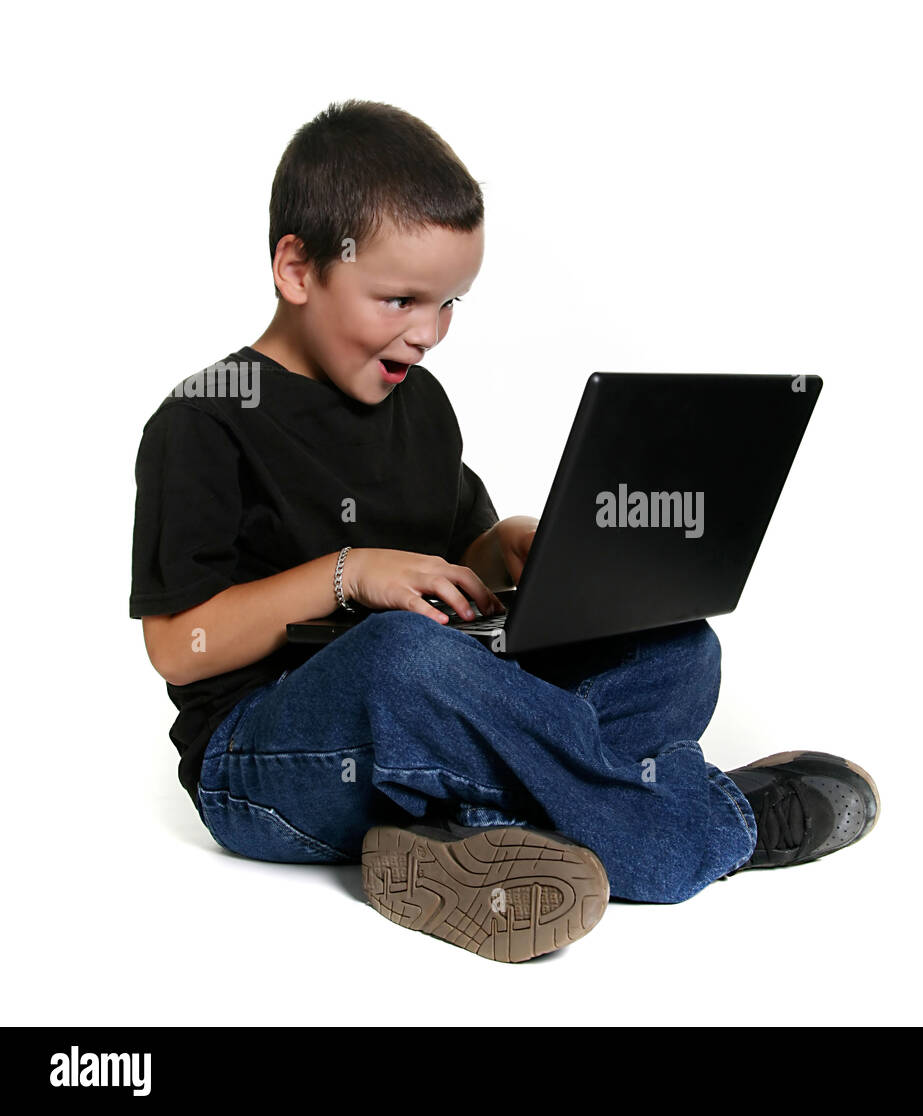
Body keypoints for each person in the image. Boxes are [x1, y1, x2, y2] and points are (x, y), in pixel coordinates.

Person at [129, 99, 880, 963]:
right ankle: (711, 823)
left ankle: (456, 837)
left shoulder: (418, 402)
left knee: (677, 648)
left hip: (433, 713)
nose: (427, 332)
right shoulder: (206, 421)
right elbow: (177, 647)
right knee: (397, 656)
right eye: (399, 298)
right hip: (268, 759)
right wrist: (347, 573)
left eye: (449, 303)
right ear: (298, 269)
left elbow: (456, 559)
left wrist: (517, 548)